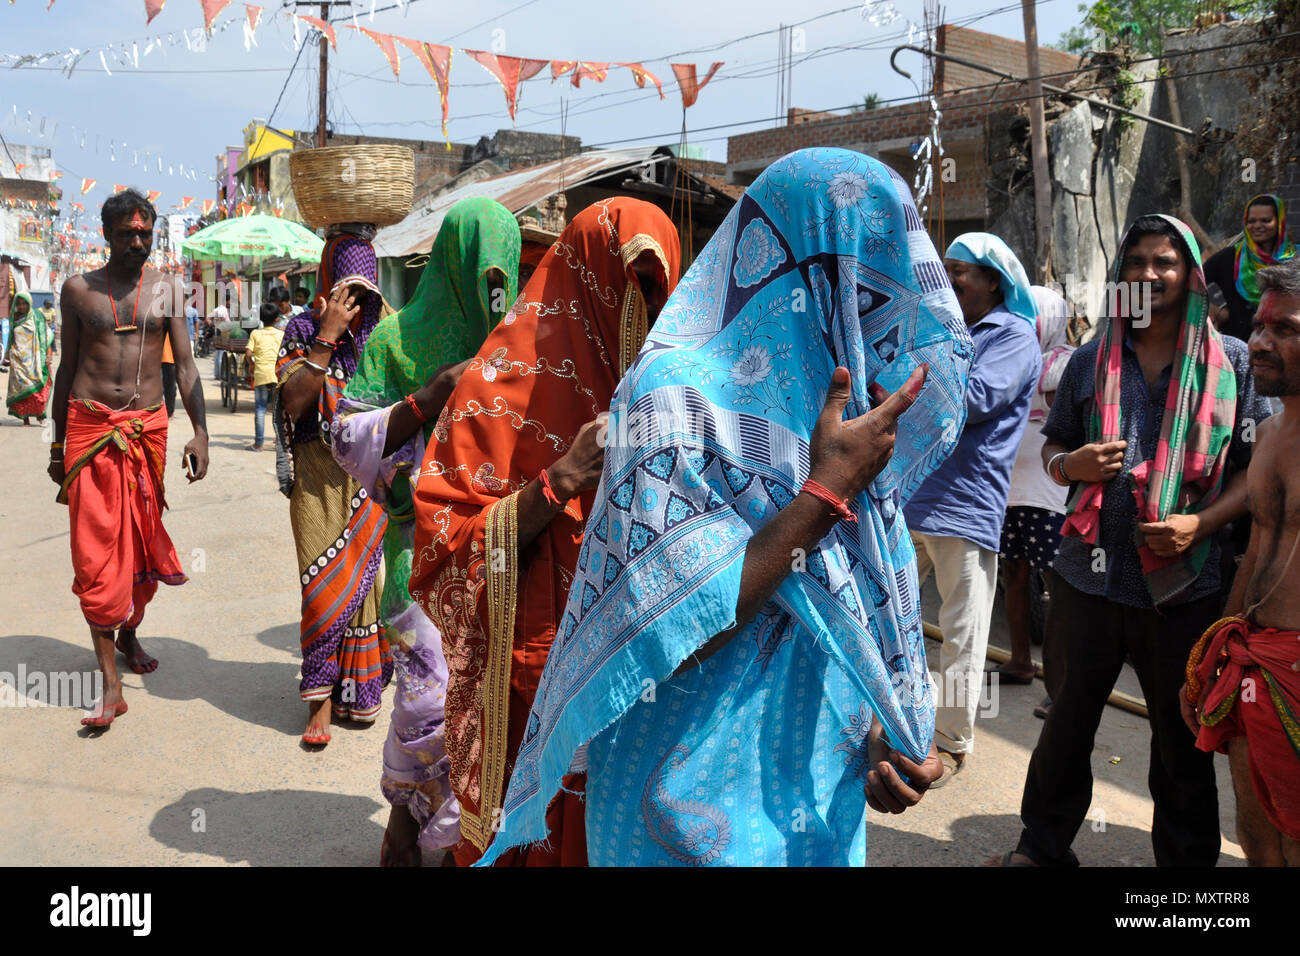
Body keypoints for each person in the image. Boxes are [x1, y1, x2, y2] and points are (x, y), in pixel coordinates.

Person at [474, 149, 972, 867]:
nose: (881, 292)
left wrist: (879, 737)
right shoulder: (675, 394)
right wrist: (826, 492)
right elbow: (671, 627)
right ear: (797, 254)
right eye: (865, 261)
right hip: (675, 801)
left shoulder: (858, 410)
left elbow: (846, 613)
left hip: (809, 800)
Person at [408, 197, 681, 866]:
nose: (639, 307)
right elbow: (443, 542)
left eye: (656, 287)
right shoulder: (498, 384)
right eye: (630, 284)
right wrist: (560, 480)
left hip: (634, 678)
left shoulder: (673, 389)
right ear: (587, 276)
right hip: (530, 673)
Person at [992, 214, 1270, 867]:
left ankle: (1186, 871)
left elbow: (1254, 471)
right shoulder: (1091, 360)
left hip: (1187, 583)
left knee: (1181, 740)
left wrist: (1200, 523)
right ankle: (1042, 848)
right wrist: (1071, 466)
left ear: (1191, 275)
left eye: (1164, 262)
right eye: (1136, 260)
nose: (1147, 273)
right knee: (1066, 723)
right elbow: (1056, 441)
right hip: (1084, 579)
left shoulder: (1229, 363)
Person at [331, 197, 521, 867]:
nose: (492, 290)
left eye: (502, 275)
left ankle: (455, 844)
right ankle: (408, 825)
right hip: (420, 563)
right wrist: (425, 400)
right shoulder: (394, 339)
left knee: (489, 714)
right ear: (451, 262)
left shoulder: (527, 344)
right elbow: (346, 436)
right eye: (480, 271)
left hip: (505, 561)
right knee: (427, 705)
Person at [45, 188, 209, 729]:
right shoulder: (77, 291)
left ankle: (131, 631)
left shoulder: (168, 290)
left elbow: (184, 366)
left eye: (145, 233)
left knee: (139, 537)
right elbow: (66, 371)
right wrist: (55, 444)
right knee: (95, 551)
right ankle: (110, 684)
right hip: (90, 427)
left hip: (147, 428)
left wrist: (201, 432)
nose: (137, 242)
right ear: (106, 234)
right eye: (126, 234)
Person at [904, 233, 1041, 786]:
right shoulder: (948, 332)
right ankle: (894, 722)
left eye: (961, 271)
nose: (951, 280)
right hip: (913, 495)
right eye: (947, 269)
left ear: (994, 281)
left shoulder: (1013, 336)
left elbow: (978, 399)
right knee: (890, 615)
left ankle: (953, 741)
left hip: (964, 502)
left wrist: (920, 370)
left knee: (962, 630)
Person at [1181, 257, 1300, 865]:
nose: (1260, 342)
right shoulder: (1273, 433)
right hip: (1252, 657)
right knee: (1256, 835)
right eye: (1260, 325)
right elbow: (1256, 549)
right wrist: (1215, 650)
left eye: (1286, 329)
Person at [277, 231, 392, 746]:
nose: (357, 300)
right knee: (321, 587)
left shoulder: (387, 335)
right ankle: (319, 698)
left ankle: (359, 688)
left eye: (366, 289)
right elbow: (294, 405)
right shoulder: (302, 328)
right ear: (327, 284)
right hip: (318, 474)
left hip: (369, 477)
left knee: (370, 586)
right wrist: (327, 336)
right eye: (348, 288)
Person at [998, 286, 1075, 718]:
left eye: (1032, 314)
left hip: (1049, 494)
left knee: (1057, 587)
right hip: (1009, 489)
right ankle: (1020, 661)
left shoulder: (1066, 362)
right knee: (1013, 575)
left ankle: (1058, 682)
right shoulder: (1014, 354)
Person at [1204, 195, 1297, 342]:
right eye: (1251, 221)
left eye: (1266, 220)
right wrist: (1215, 309)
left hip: (1283, 346)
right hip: (1236, 347)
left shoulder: (1296, 260)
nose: (1257, 226)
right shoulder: (1229, 257)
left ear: (1280, 222)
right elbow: (1193, 279)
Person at [5, 291, 54, 424]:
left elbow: (46, 337)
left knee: (37, 390)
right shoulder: (14, 317)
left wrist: (48, 355)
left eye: (24, 304)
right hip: (18, 361)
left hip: (35, 360)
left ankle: (40, 414)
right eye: (19, 304)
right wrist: (7, 356)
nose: (21, 307)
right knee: (23, 392)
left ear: (30, 303)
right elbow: (11, 338)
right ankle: (25, 418)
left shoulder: (37, 316)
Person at [244, 301, 284, 451]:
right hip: (278, 375)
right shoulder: (281, 334)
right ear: (276, 319)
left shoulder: (256, 333)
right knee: (278, 410)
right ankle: (279, 442)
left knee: (260, 408)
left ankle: (258, 444)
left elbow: (248, 353)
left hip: (260, 375)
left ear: (260, 318)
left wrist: (252, 364)